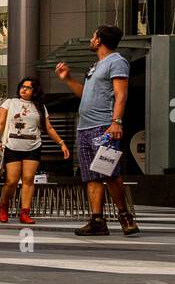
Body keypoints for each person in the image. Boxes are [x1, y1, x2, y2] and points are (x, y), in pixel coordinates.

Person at [57, 24, 139, 236]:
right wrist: (67, 79)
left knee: (109, 172)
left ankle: (124, 216)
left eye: (93, 36)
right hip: (84, 128)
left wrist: (116, 122)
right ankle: (97, 221)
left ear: (100, 40)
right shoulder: (96, 66)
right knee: (91, 176)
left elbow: (121, 94)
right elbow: (84, 95)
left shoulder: (117, 62)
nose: (91, 40)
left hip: (104, 126)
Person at [0, 77, 69, 224]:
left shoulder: (39, 107)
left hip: (33, 146)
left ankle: (25, 213)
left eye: (28, 87)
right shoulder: (10, 103)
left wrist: (61, 143)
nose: (24, 89)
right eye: (22, 86)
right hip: (12, 145)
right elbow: (0, 123)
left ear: (35, 91)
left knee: (28, 180)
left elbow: (48, 128)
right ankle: (4, 206)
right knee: (11, 181)